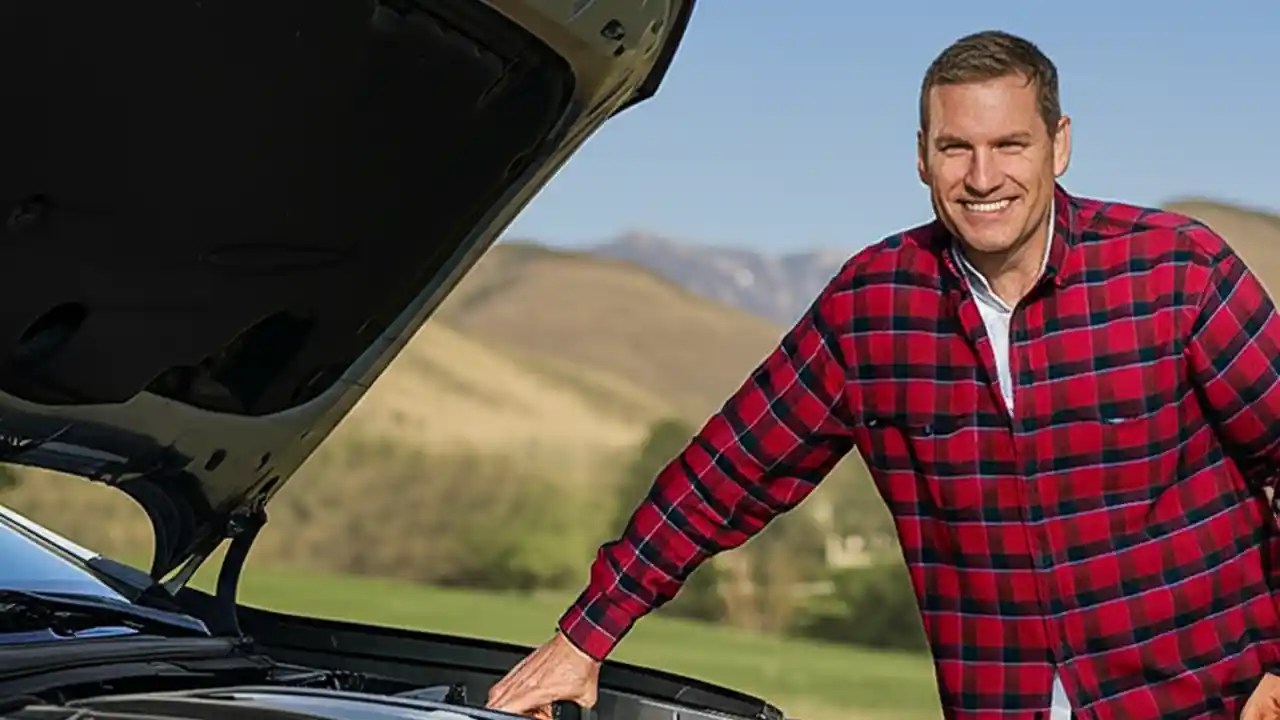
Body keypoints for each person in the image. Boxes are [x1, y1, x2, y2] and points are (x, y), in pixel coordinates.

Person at [485, 29, 1280, 720]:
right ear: (921, 158)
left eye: (1010, 145)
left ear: (1059, 144)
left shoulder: (1175, 271)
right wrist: (584, 635)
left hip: (1210, 699)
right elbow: (727, 472)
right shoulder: (874, 308)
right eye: (955, 148)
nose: (982, 176)